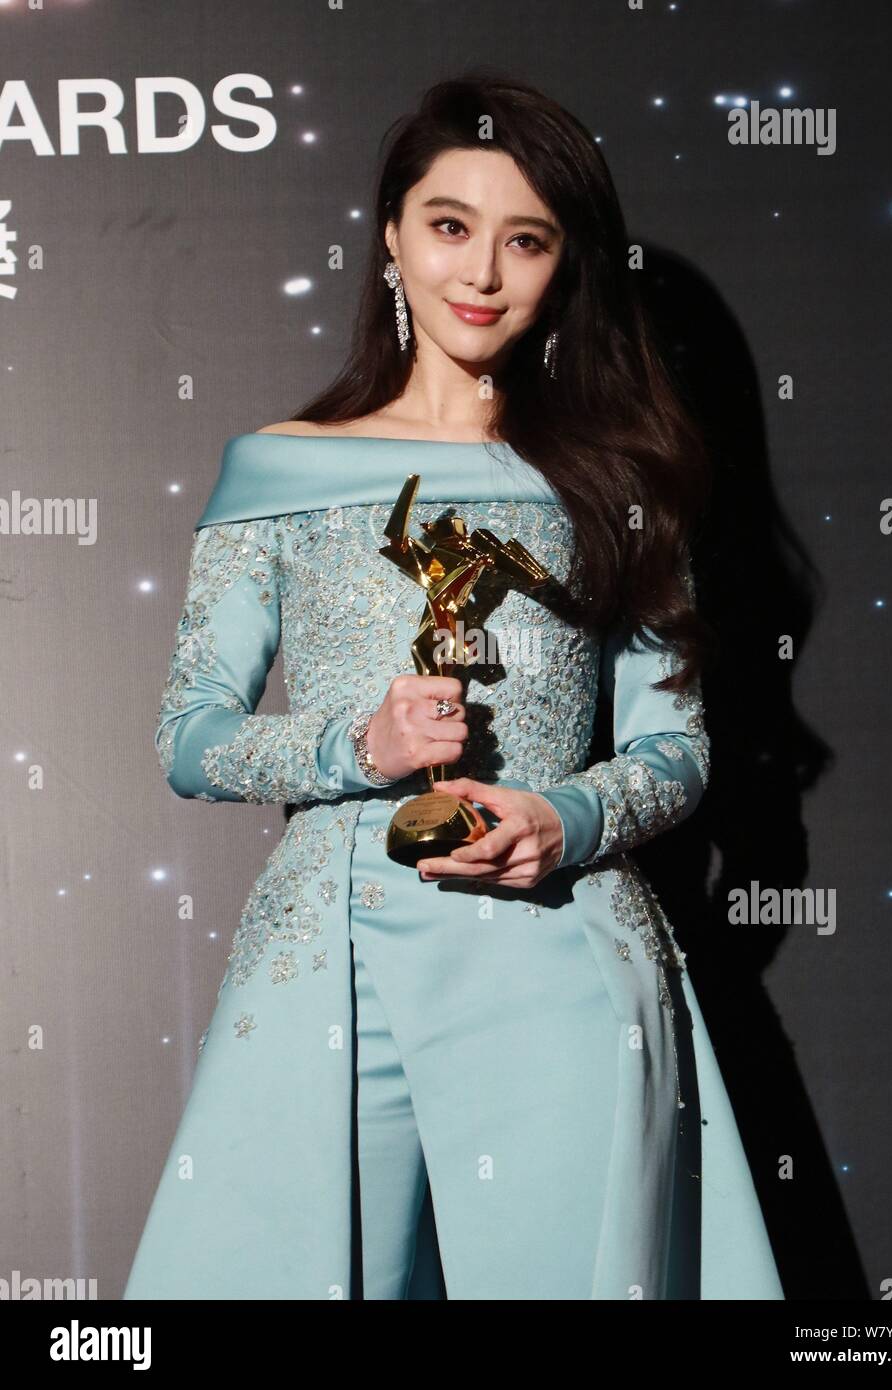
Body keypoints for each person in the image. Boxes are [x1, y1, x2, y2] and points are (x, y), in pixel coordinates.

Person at [123, 72, 783, 1300]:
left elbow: (676, 749)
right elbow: (190, 733)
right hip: (332, 956)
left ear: (562, 266)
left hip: (561, 943)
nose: (481, 271)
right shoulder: (279, 469)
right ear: (390, 236)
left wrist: (566, 817)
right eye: (449, 225)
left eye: (524, 239)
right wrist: (350, 748)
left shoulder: (620, 478)